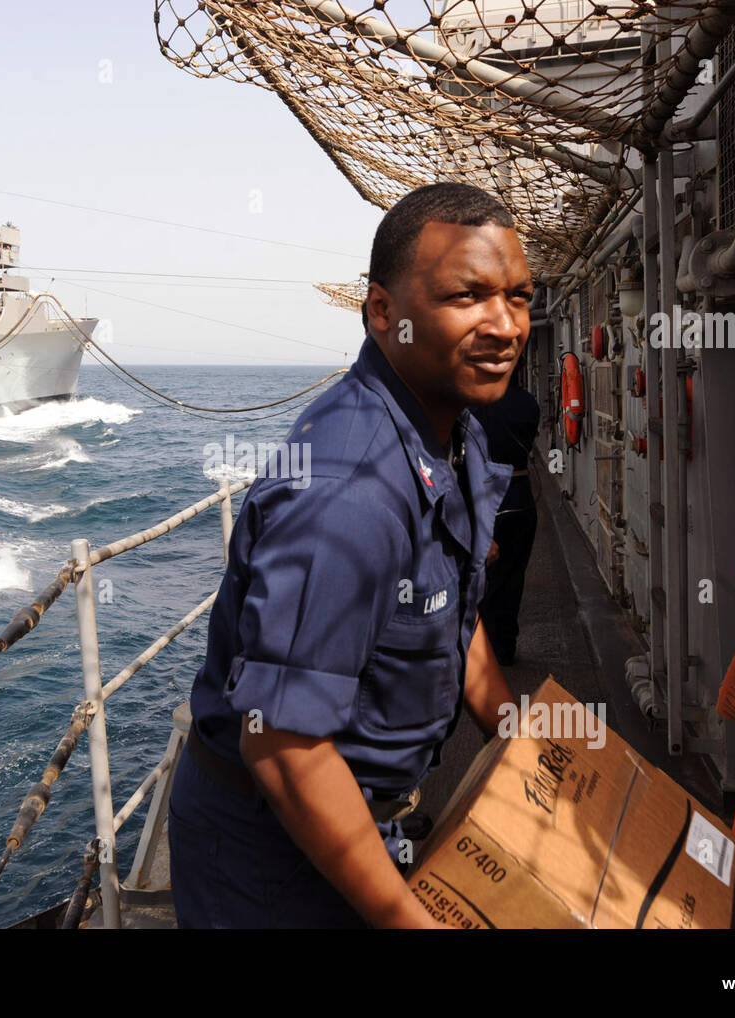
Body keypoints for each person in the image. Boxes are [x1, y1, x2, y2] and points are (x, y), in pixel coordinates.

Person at [168, 182, 532, 928]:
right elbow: (285, 744)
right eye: (467, 296)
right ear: (382, 312)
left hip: (365, 816)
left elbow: (451, 613)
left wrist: (524, 745)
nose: (504, 325)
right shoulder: (347, 494)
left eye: (520, 297)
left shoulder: (449, 434)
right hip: (271, 862)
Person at [474, 380, 540, 665]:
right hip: (521, 495)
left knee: (480, 578)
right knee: (513, 576)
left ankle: (482, 648)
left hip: (486, 497)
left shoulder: (472, 406)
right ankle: (505, 647)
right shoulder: (529, 403)